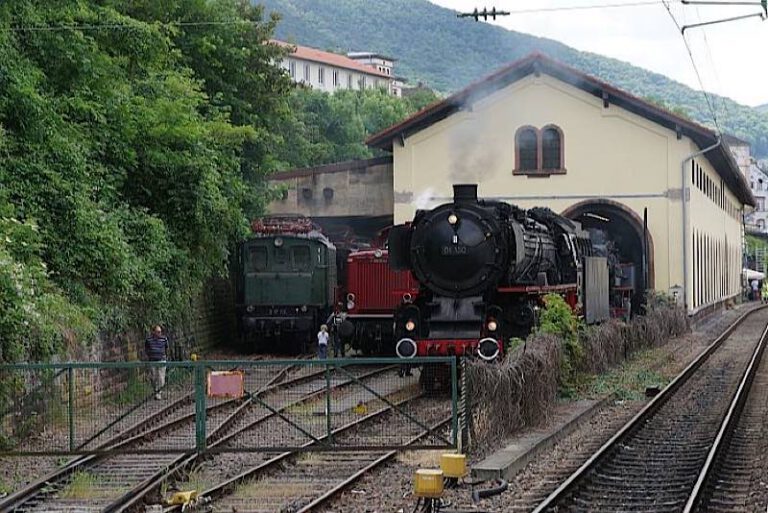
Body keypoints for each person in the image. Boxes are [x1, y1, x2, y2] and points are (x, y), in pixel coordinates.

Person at [145, 325, 169, 400]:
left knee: (161, 378)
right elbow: (146, 349)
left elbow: (167, 348)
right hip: (152, 360)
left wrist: (165, 356)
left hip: (161, 360)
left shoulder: (164, 339)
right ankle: (156, 391)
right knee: (153, 377)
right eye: (158, 332)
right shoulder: (149, 340)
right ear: (153, 332)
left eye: (160, 332)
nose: (159, 333)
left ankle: (158, 393)